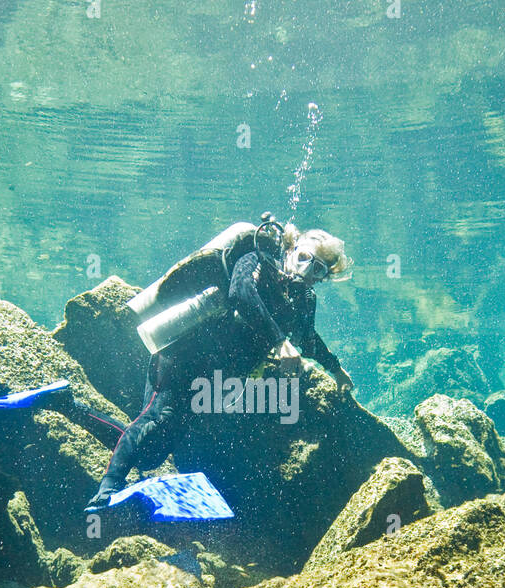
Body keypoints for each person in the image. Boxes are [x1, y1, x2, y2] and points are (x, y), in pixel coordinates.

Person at [84, 218, 354, 512]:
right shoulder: (257, 259)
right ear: (291, 248)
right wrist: (278, 341)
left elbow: (307, 339)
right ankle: (107, 490)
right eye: (303, 258)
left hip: (211, 377)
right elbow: (240, 293)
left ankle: (69, 405)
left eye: (317, 269)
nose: (305, 270)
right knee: (158, 419)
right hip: (181, 356)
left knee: (151, 454)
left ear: (323, 278)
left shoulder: (301, 299)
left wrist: (335, 368)